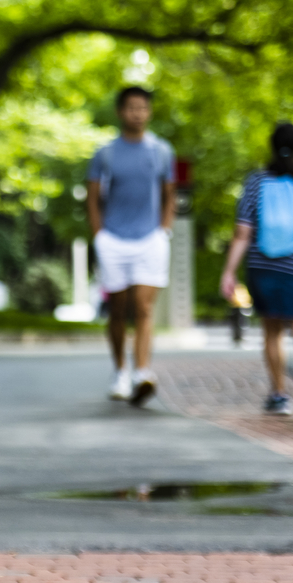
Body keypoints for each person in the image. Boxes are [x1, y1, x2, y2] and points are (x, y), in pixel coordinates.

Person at [219, 122, 293, 417]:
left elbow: (242, 232)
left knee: (272, 330)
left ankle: (279, 395)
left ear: (271, 146)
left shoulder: (256, 182)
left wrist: (229, 272)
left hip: (264, 266)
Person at [86, 86, 176, 407]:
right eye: (131, 107)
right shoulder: (105, 154)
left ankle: (142, 371)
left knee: (144, 307)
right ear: (120, 112)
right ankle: (120, 370)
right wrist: (99, 235)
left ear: (149, 112)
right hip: (113, 239)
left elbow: (169, 195)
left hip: (149, 239)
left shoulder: (162, 151)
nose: (137, 113)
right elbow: (93, 198)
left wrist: (164, 230)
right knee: (119, 310)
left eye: (143, 107)